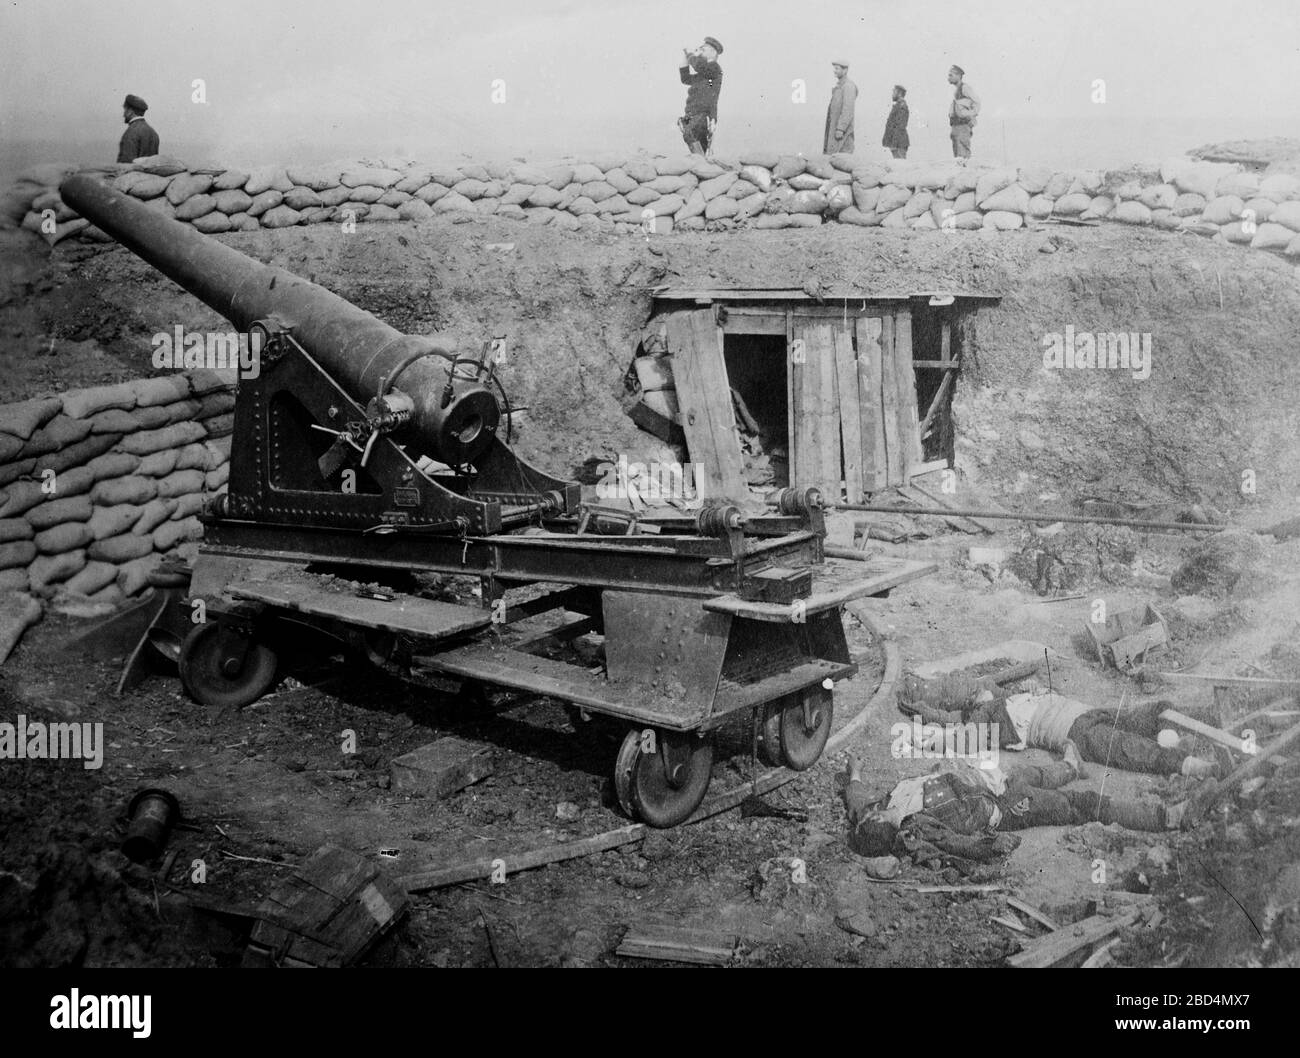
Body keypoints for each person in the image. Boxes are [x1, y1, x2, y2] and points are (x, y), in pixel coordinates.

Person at [842, 747, 1207, 867]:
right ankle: (1168, 817)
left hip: (990, 782)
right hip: (1006, 806)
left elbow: (855, 798)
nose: (868, 810)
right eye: (871, 816)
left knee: (1024, 772)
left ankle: (1069, 767)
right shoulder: (917, 825)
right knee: (1081, 803)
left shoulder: (880, 806)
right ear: (880, 822)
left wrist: (854, 773)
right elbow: (960, 844)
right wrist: (995, 837)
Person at [898, 675, 1220, 779]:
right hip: (1074, 731)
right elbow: (959, 741)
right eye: (976, 692)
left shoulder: (999, 695)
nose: (983, 688)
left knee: (1152, 711)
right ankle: (1191, 764)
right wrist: (922, 735)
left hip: (1087, 711)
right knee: (1127, 747)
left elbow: (965, 701)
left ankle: (1198, 723)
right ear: (971, 702)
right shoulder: (989, 720)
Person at [678, 37, 724, 156]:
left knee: (690, 134)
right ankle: (703, 162)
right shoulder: (703, 74)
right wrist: (685, 54)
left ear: (713, 53)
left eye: (704, 49)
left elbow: (699, 65)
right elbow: (685, 78)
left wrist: (691, 54)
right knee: (694, 141)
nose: (701, 50)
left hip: (703, 114)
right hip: (692, 113)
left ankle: (701, 162)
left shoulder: (714, 68)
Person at [946, 65, 979, 162]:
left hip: (963, 125)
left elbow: (977, 103)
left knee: (963, 156)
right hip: (956, 125)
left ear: (958, 75)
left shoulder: (965, 88)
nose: (949, 78)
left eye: (951, 75)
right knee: (958, 156)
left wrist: (968, 114)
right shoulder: (957, 90)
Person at [823, 61, 856, 154]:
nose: (834, 71)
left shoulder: (848, 86)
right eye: (834, 68)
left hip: (842, 134)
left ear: (845, 70)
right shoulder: (840, 87)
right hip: (835, 131)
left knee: (843, 158)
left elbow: (848, 110)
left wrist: (841, 128)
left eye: (837, 68)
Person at [117, 93, 160, 163]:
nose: (123, 115)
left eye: (125, 110)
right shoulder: (153, 133)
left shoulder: (131, 133)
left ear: (130, 111)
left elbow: (125, 165)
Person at [882, 85, 909, 159]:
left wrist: (894, 143)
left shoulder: (901, 106)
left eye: (894, 92)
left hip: (899, 143)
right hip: (897, 143)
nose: (892, 94)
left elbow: (901, 126)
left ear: (899, 93)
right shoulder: (898, 105)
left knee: (901, 166)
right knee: (898, 165)